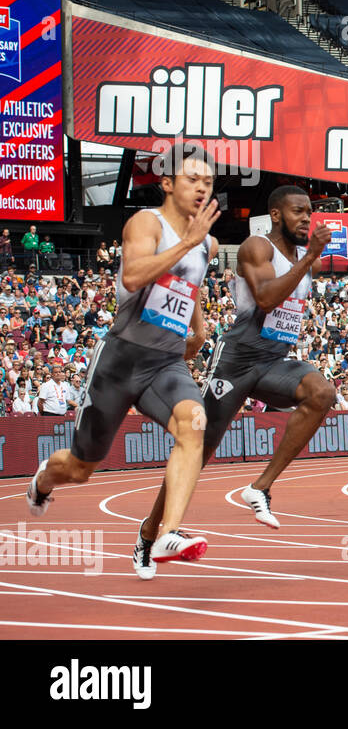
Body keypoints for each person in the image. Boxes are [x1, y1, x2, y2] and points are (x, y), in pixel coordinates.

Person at [26, 142, 220, 568]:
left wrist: (199, 327)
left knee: (194, 424)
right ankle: (43, 480)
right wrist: (187, 242)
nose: (202, 189)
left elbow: (192, 284)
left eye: (208, 182)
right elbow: (132, 277)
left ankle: (164, 534)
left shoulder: (209, 244)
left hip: (165, 362)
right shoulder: (145, 224)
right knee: (80, 469)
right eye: (193, 180)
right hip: (120, 360)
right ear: (167, 183)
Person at [136, 186, 336, 577]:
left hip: (272, 361)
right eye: (297, 212)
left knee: (322, 393)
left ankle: (259, 488)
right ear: (276, 215)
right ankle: (150, 531)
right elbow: (264, 299)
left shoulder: (301, 258)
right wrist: (311, 256)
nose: (305, 219)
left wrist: (307, 258)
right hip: (236, 362)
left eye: (309, 213)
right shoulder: (256, 247)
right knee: (199, 450)